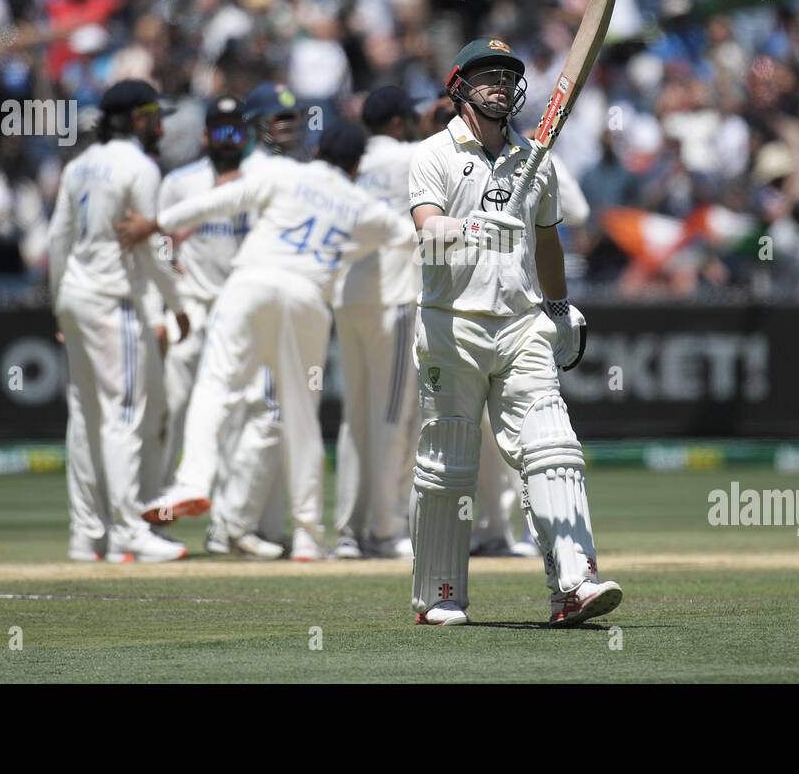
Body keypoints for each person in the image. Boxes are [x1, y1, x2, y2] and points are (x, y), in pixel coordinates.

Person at [116, 119, 415, 561]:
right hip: (308, 296)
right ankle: (310, 537)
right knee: (301, 416)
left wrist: (155, 222)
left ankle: (194, 482)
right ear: (355, 167)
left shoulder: (285, 174)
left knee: (216, 385)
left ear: (318, 152)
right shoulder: (362, 206)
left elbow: (219, 200)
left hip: (251, 282)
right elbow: (416, 237)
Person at [405, 37, 622, 626]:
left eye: (508, 73)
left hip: (522, 324)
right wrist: (472, 224)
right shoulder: (433, 154)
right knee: (448, 464)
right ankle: (439, 595)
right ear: (460, 87)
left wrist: (558, 306)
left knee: (553, 447)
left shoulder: (537, 160)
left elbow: (548, 241)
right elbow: (426, 231)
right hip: (452, 325)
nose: (500, 82)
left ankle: (575, 584)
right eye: (486, 74)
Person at [47, 79, 191, 563]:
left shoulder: (78, 166)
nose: (162, 126)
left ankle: (86, 536)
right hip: (113, 299)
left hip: (76, 295)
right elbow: (150, 245)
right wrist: (177, 306)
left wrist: (59, 305)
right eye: (156, 116)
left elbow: (57, 241)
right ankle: (128, 530)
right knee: (124, 416)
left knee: (85, 418)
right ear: (138, 119)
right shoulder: (140, 167)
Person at [152, 96, 288, 559]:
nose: (229, 140)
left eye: (237, 131)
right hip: (190, 307)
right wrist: (162, 309)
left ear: (246, 135)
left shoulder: (264, 178)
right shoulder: (179, 183)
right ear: (206, 135)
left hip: (244, 309)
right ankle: (156, 521)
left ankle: (229, 527)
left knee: (251, 415)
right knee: (172, 411)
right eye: (220, 131)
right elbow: (158, 247)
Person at [331, 86, 421, 559]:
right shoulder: (413, 155)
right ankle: (386, 529)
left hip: (348, 294)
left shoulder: (352, 162)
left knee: (356, 418)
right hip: (393, 295)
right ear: (399, 123)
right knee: (392, 416)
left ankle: (349, 531)